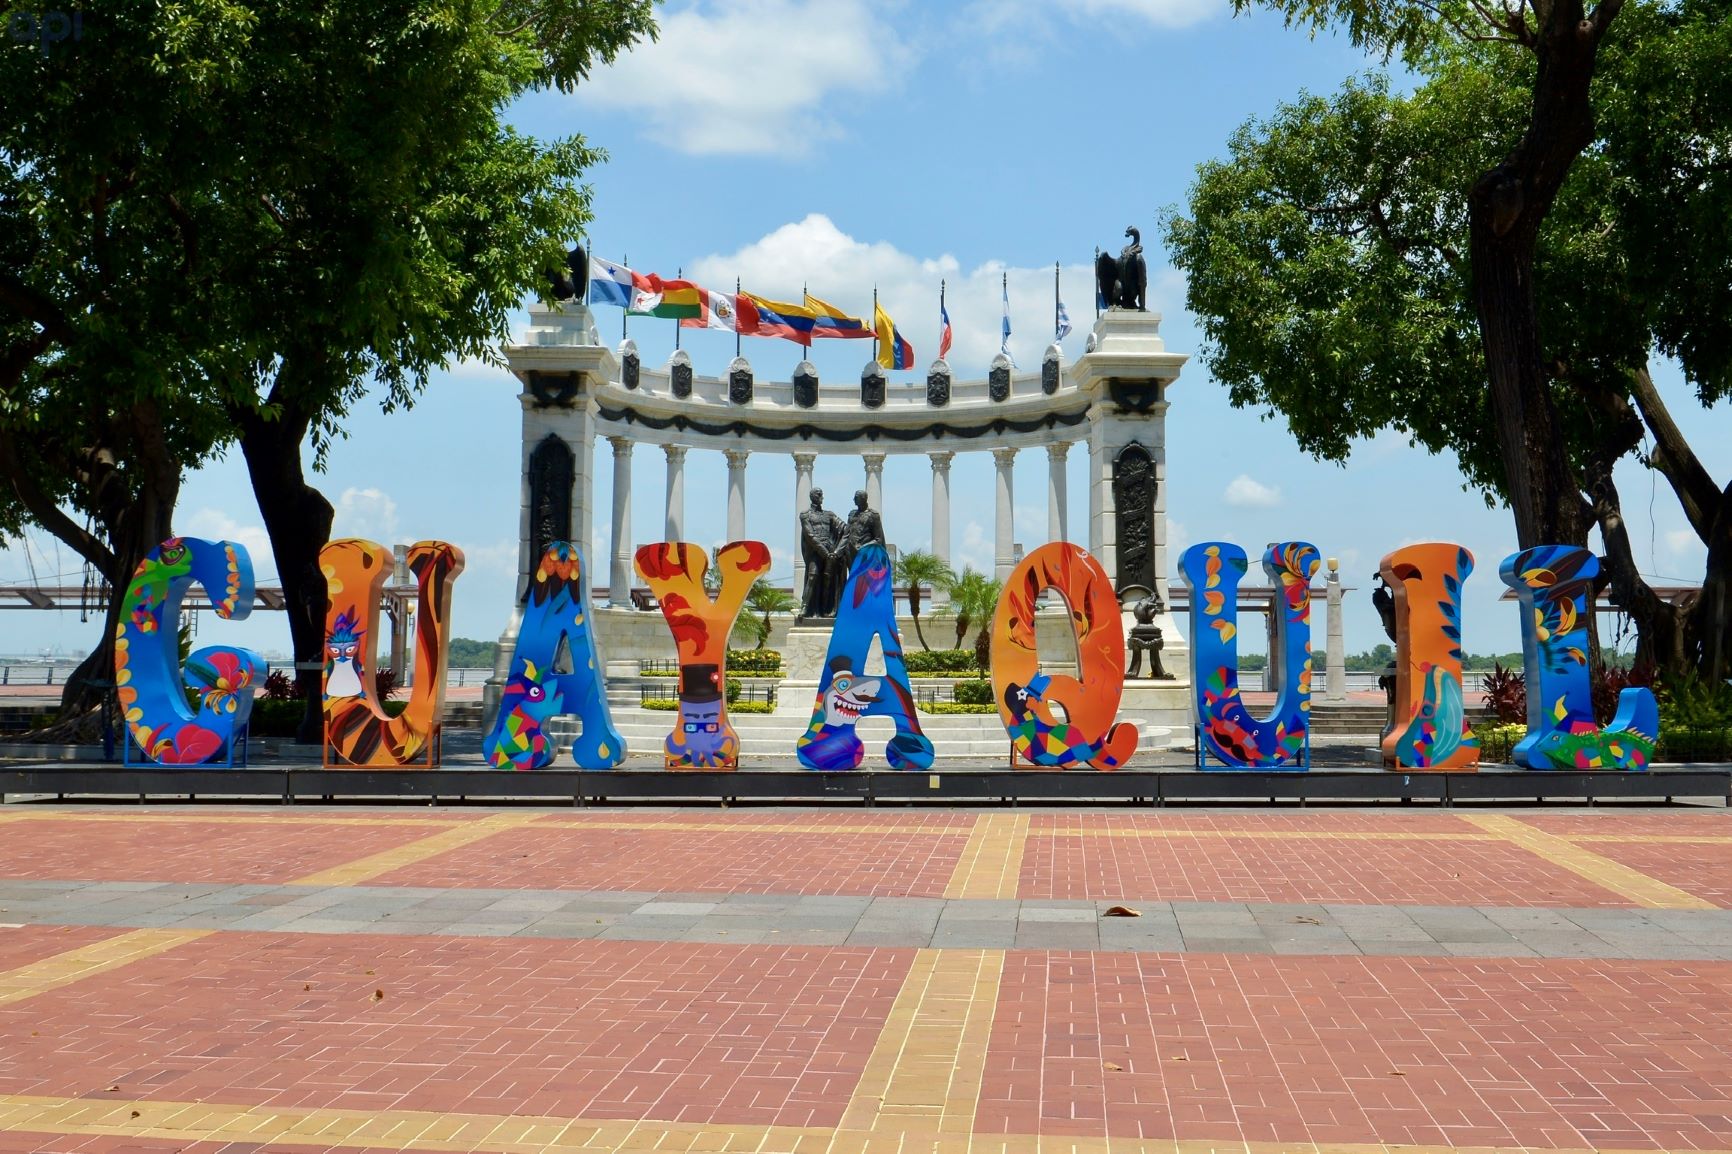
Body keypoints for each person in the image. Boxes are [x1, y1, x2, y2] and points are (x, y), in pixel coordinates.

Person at [798, 489, 845, 619]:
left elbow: (844, 528)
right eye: (819, 495)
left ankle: (826, 610)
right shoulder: (805, 515)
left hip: (830, 551)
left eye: (822, 495)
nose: (821, 497)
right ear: (812, 496)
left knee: (829, 580)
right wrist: (824, 552)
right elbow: (810, 536)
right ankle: (805, 607)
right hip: (815, 551)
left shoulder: (829, 514)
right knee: (812, 576)